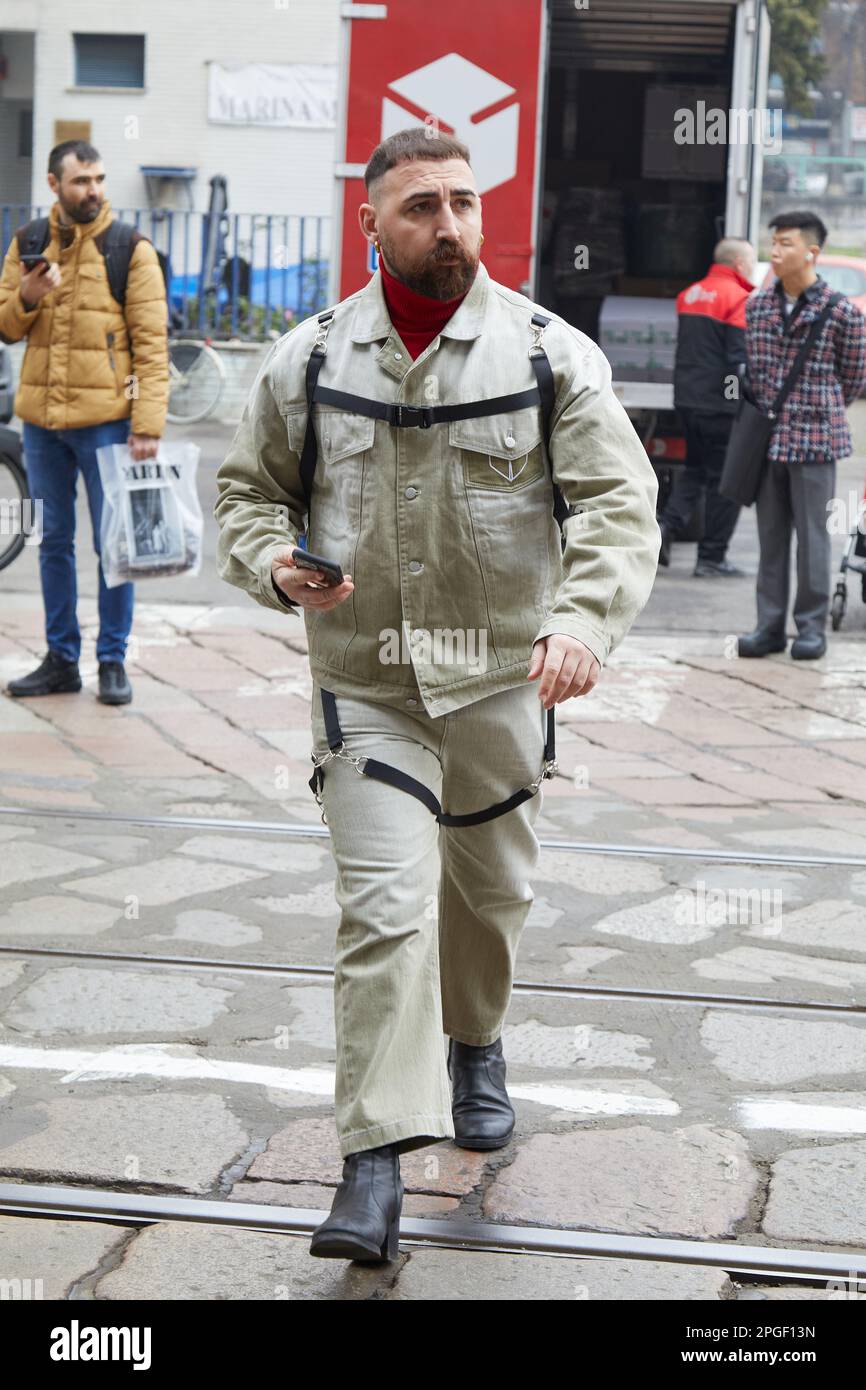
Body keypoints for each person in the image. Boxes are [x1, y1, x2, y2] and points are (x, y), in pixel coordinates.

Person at [214, 127, 661, 1263]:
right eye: (420, 206)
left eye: (463, 202)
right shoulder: (309, 360)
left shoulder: (546, 354)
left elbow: (616, 502)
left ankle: (477, 1042)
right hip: (366, 687)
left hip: (503, 681)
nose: (449, 224)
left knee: (487, 899)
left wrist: (581, 620)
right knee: (382, 912)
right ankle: (370, 1165)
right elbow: (243, 494)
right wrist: (271, 562)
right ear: (369, 223)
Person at [0, 140, 169, 704]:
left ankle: (112, 660)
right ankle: (60, 660)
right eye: (80, 181)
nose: (93, 190)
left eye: (98, 179)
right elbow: (5, 327)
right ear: (54, 185)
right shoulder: (26, 242)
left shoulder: (130, 249)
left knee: (115, 544)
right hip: (42, 427)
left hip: (108, 424)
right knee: (52, 540)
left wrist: (146, 423)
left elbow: (151, 345)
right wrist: (26, 295)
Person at [738, 210, 866, 660]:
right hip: (768, 442)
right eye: (773, 242)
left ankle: (810, 629)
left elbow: (854, 377)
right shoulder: (757, 306)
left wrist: (820, 409)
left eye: (786, 243)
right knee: (771, 540)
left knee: (814, 539)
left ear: (812, 252)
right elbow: (756, 372)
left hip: (816, 443)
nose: (775, 251)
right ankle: (768, 627)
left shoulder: (840, 311)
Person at [658, 236, 756, 576]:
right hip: (719, 406)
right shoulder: (739, 298)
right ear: (740, 265)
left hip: (686, 399)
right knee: (726, 481)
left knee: (695, 470)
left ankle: (663, 529)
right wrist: (741, 403)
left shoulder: (691, 294)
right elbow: (737, 361)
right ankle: (711, 558)